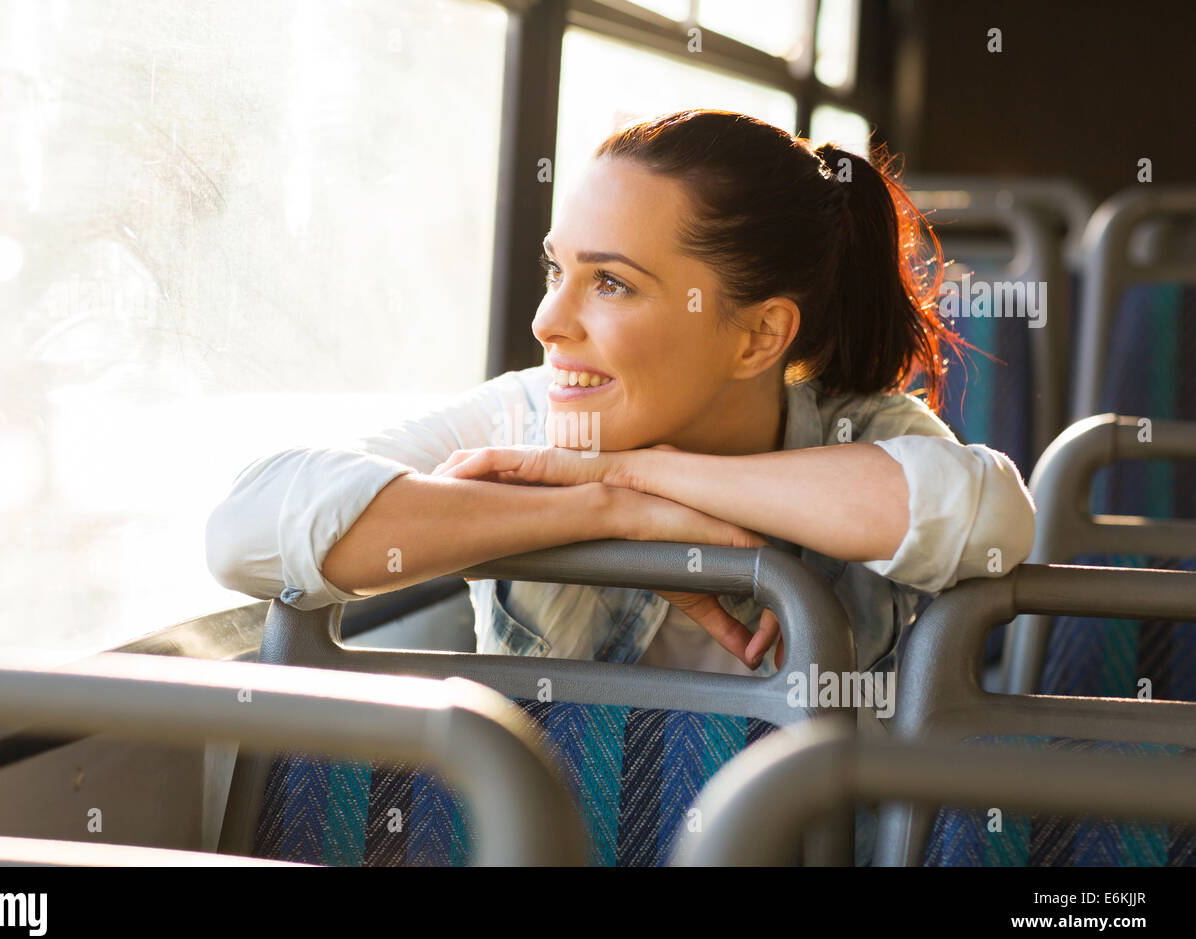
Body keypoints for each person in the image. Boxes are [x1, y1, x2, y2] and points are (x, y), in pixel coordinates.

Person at [206, 108, 1035, 682]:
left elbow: (985, 522)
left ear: (757, 337)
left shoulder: (860, 432)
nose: (546, 322)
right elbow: (246, 534)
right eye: (556, 270)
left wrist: (647, 474)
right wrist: (605, 509)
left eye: (610, 283)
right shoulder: (528, 418)